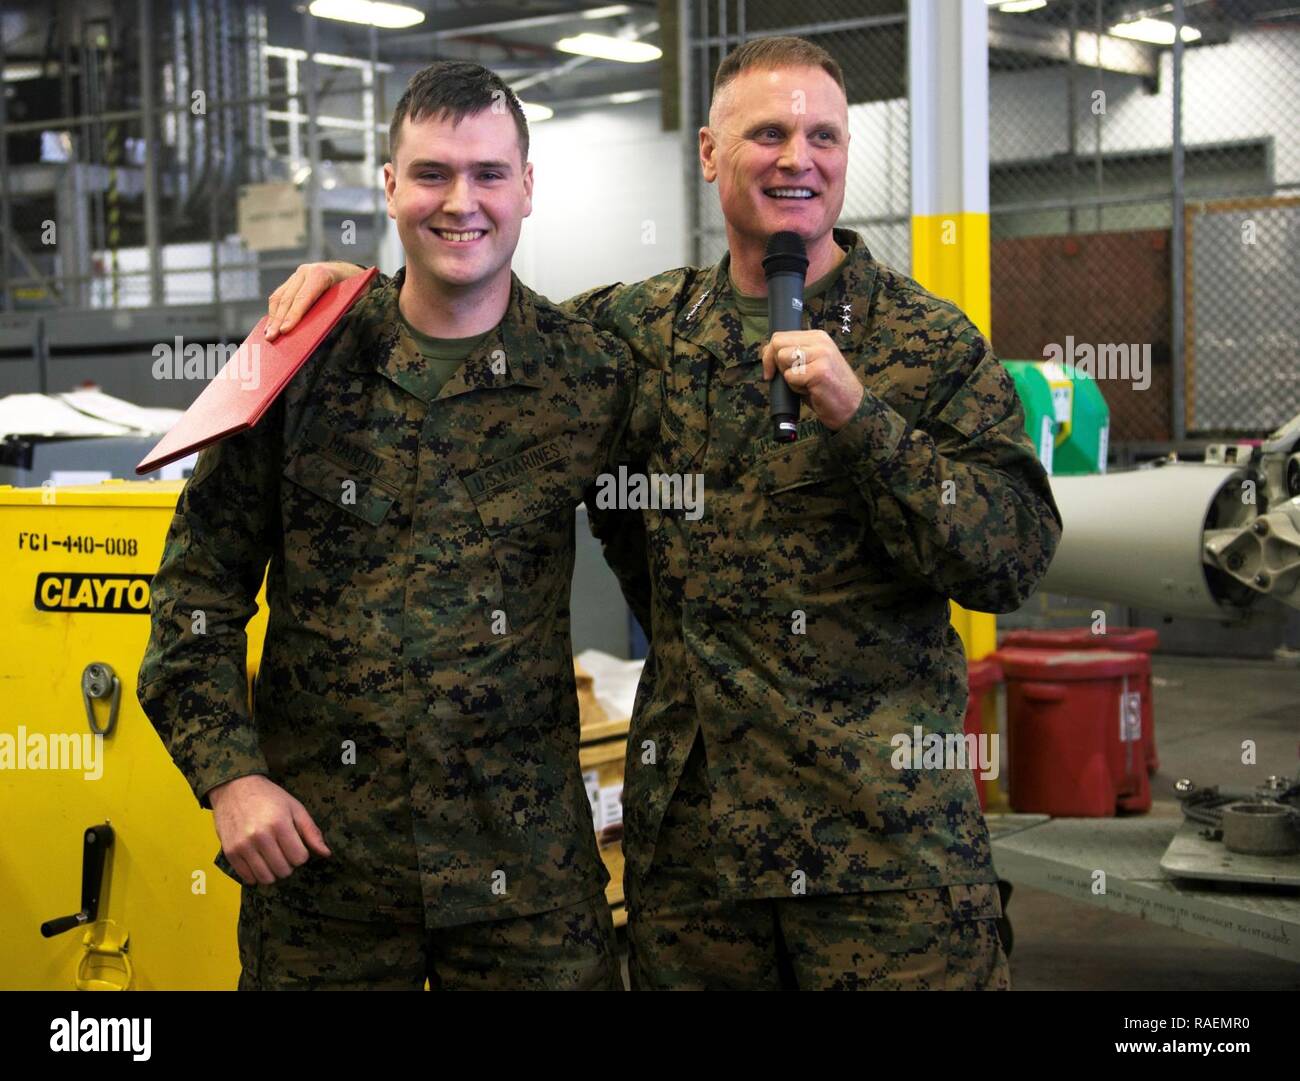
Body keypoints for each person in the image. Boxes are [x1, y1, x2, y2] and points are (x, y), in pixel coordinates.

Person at [265, 35, 1061, 990]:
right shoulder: (640, 333)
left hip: (888, 860)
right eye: (767, 134)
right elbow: (475, 312)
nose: (797, 158)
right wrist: (353, 297)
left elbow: (1010, 558)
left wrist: (863, 419)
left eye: (823, 136)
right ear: (710, 153)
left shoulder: (928, 344)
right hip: (697, 866)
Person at [137, 61, 635, 990]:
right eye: (432, 173)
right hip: (326, 875)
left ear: (527, 186)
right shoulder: (296, 361)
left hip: (525, 879)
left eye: (489, 174)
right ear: (390, 185)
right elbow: (195, 592)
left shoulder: (589, 373)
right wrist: (230, 775)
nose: (462, 202)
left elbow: (680, 568)